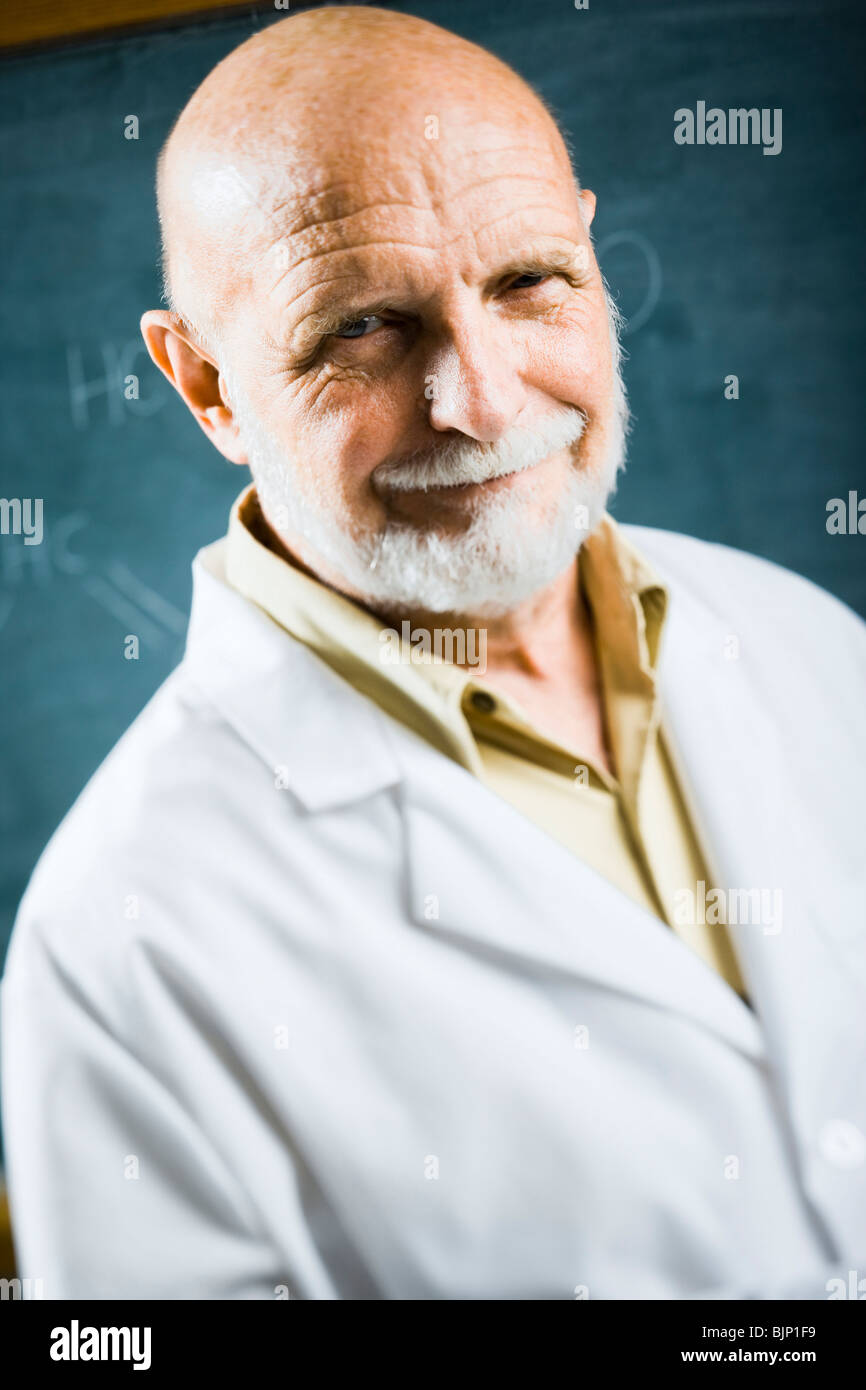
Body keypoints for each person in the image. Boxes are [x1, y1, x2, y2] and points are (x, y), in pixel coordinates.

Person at [2, 5, 864, 1300]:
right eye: (361, 328)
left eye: (527, 281)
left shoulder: (799, 637)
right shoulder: (122, 941)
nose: (485, 399)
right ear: (206, 386)